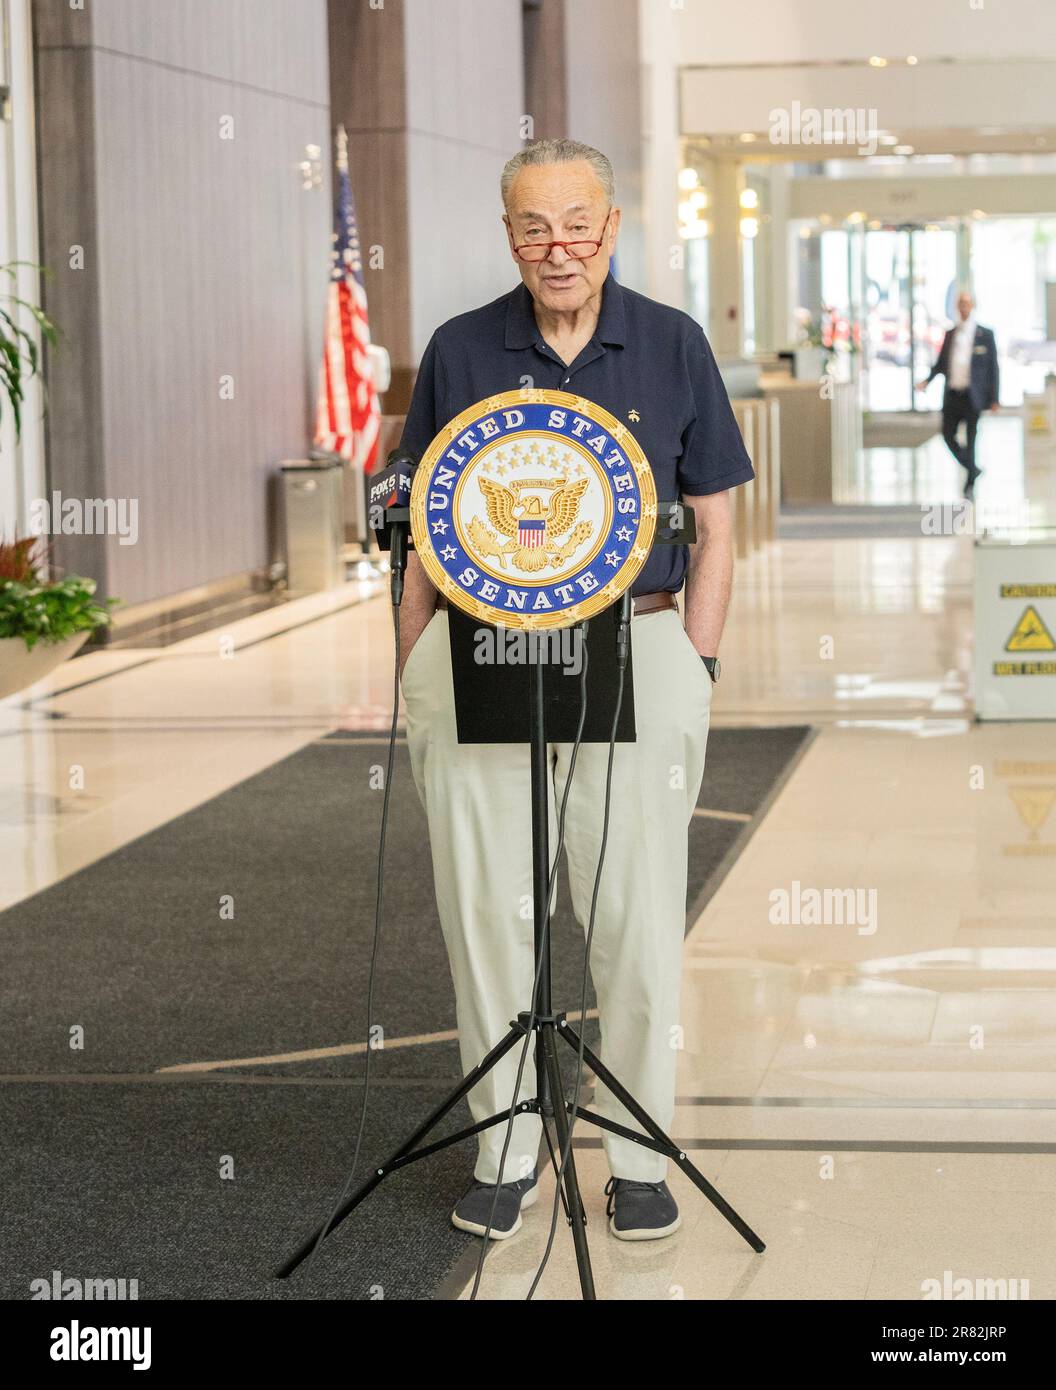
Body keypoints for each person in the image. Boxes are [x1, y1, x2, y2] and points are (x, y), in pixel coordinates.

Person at [397, 139, 754, 1242]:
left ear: (613, 226)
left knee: (636, 919)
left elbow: (720, 521)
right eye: (534, 227)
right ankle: (505, 1152)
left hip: (636, 647)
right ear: (509, 235)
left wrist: (693, 660)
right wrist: (412, 671)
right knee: (486, 914)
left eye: (580, 224)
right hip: (482, 653)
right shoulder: (460, 348)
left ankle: (639, 1160)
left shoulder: (672, 342)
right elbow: (420, 532)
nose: (560, 247)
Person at [917, 290, 999, 498]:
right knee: (947, 434)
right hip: (953, 394)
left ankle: (969, 484)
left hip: (974, 396)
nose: (964, 307)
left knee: (972, 439)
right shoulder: (951, 333)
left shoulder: (984, 334)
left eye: (967, 303)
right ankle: (972, 468)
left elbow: (993, 368)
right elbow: (941, 363)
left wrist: (994, 398)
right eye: (960, 303)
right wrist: (927, 381)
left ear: (972, 306)